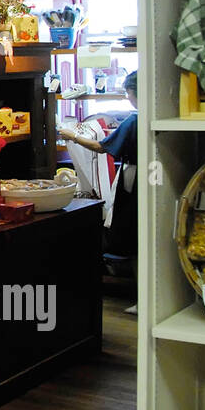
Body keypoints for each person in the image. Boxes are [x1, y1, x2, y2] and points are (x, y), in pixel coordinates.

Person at [59, 71, 138, 275]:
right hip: (148, 176)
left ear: (134, 92)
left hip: (134, 178)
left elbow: (100, 147)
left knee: (131, 232)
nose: (128, 98)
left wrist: (73, 136)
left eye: (128, 93)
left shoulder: (134, 121)